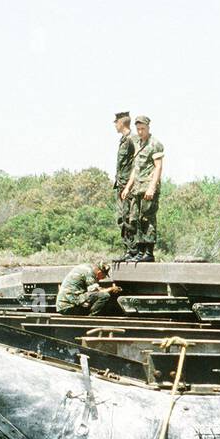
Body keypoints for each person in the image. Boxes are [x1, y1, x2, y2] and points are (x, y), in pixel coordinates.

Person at [120, 115, 165, 262]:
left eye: (143, 129)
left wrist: (152, 187)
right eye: (138, 129)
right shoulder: (138, 144)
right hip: (137, 188)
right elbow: (136, 169)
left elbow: (158, 167)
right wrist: (128, 187)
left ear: (148, 128)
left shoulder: (155, 143)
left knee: (147, 219)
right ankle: (139, 251)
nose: (140, 132)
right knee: (135, 219)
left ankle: (148, 252)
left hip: (148, 188)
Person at [111, 111, 138, 247]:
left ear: (121, 123)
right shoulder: (123, 140)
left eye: (116, 122)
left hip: (129, 186)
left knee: (128, 217)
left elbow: (137, 165)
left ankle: (132, 248)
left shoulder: (132, 139)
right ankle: (128, 248)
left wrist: (128, 186)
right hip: (122, 185)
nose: (115, 125)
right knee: (122, 217)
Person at [56, 261, 121, 316]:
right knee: (104, 296)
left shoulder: (86, 268)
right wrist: (111, 289)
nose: (101, 279)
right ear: (99, 273)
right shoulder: (89, 272)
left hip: (64, 304)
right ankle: (91, 318)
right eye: (103, 277)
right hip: (69, 305)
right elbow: (98, 291)